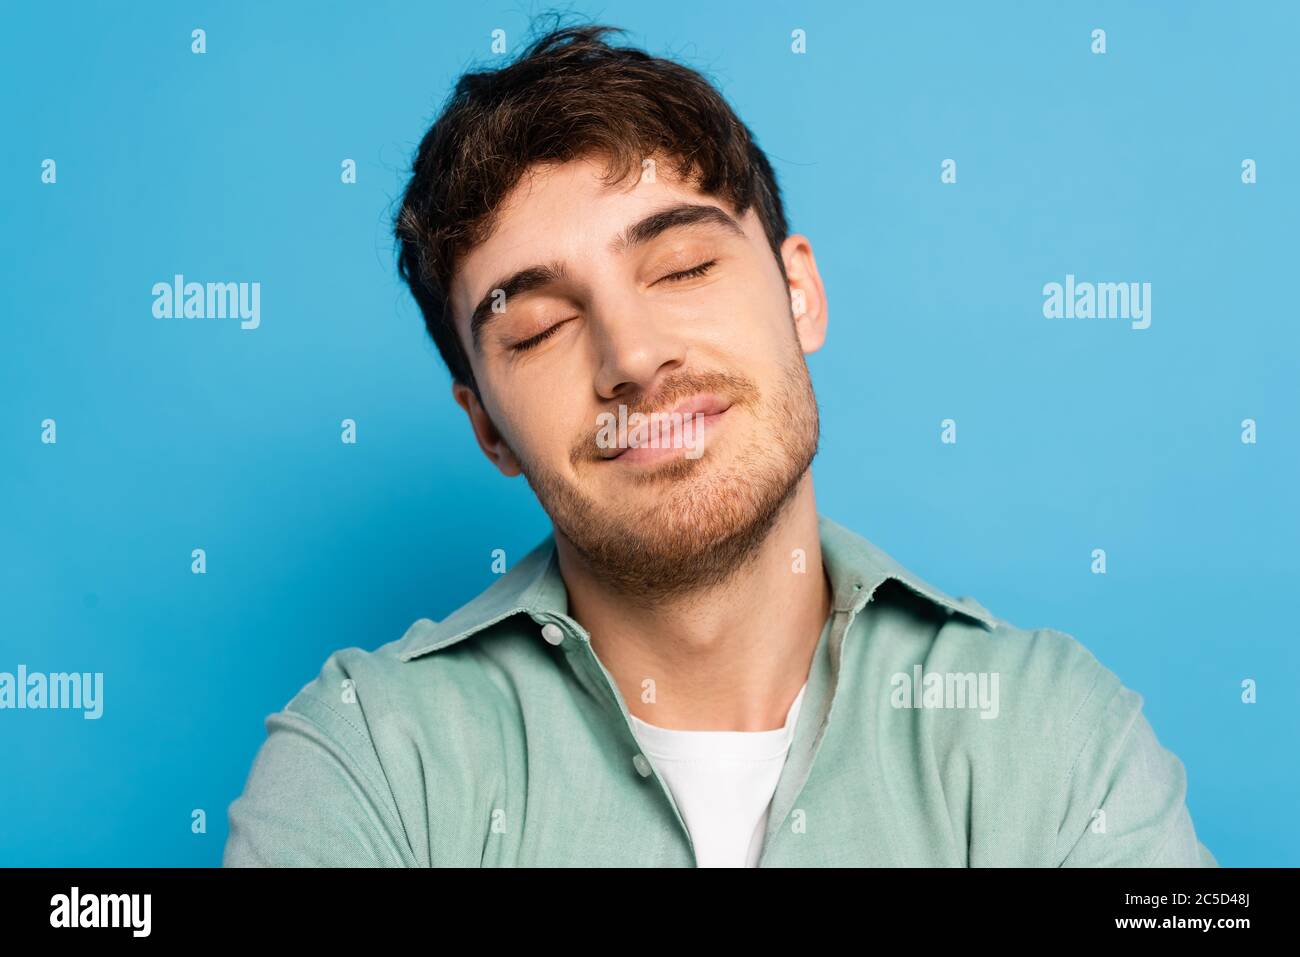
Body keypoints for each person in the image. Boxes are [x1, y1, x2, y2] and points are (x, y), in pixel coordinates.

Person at [223, 24, 1216, 867]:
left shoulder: (1054, 735)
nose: (634, 357)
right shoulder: (366, 760)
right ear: (488, 428)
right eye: (536, 328)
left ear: (800, 294)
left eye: (684, 266)